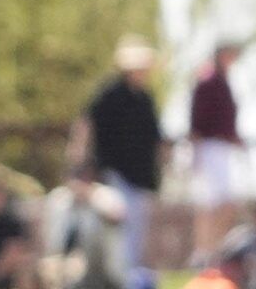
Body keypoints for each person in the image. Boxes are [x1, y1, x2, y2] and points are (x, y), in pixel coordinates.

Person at [75, 36, 165, 275]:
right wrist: (78, 158)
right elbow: (87, 123)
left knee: (137, 225)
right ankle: (121, 273)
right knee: (121, 221)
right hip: (115, 171)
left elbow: (155, 137)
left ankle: (131, 272)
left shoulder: (145, 99)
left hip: (141, 174)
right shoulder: (110, 94)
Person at [187, 40, 246, 259]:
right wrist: (196, 150)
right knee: (209, 203)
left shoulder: (222, 81)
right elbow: (198, 119)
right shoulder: (208, 80)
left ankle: (217, 249)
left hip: (223, 148)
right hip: (209, 147)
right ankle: (204, 251)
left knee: (226, 202)